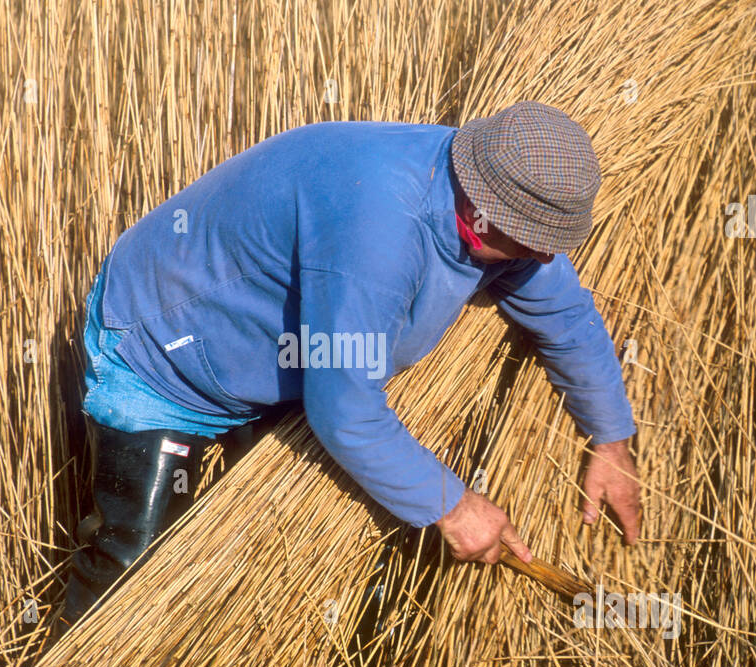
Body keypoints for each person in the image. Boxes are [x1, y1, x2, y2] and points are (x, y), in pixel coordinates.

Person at [61, 100, 641, 627]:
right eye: (533, 241)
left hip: (270, 363)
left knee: (255, 556)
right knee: (136, 571)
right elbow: (344, 410)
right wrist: (454, 505)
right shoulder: (379, 232)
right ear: (483, 210)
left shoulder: (494, 201)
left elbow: (566, 318)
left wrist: (611, 439)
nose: (544, 256)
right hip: (161, 347)